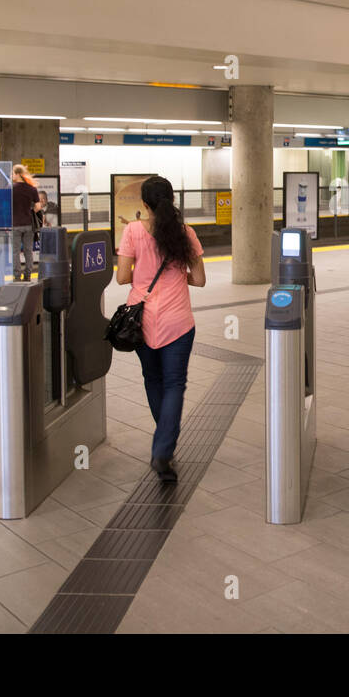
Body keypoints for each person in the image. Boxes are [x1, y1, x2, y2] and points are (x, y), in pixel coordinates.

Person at [115, 176, 206, 482]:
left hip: (141, 321)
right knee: (175, 384)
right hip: (178, 322)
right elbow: (200, 279)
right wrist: (178, 276)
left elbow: (122, 277)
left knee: (153, 379)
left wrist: (143, 275)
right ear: (172, 200)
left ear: (144, 204)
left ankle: (164, 441)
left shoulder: (133, 231)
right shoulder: (186, 233)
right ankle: (163, 448)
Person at [10, 164, 42, 281]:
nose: (12, 175)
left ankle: (17, 276)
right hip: (28, 224)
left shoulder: (11, 188)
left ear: (18, 174)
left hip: (15, 225)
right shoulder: (31, 188)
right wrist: (30, 211)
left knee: (15, 252)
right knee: (28, 251)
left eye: (13, 173)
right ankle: (28, 275)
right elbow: (38, 206)